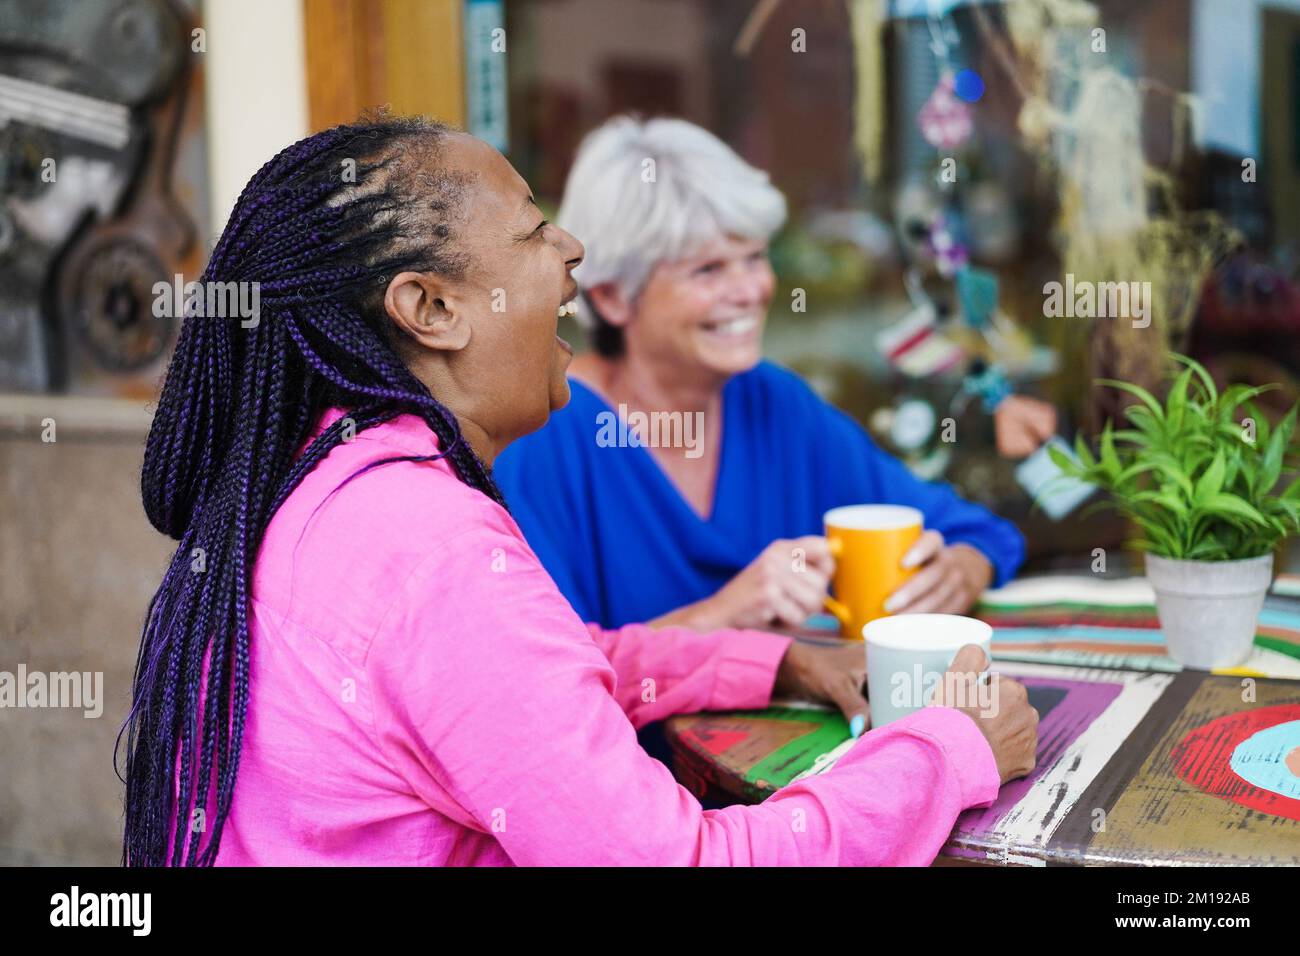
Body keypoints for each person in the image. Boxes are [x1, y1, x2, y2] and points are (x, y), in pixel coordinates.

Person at [121, 117, 1038, 866]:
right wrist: (951, 750)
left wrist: (774, 662)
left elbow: (536, 683)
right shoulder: (438, 553)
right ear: (430, 309)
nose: (572, 253)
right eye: (532, 230)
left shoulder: (343, 486)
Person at [492, 116, 1027, 632]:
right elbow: (553, 682)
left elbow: (974, 530)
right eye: (708, 270)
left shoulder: (774, 404)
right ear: (611, 297)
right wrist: (723, 615)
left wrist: (960, 569)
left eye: (754, 258)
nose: (749, 291)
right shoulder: (544, 438)